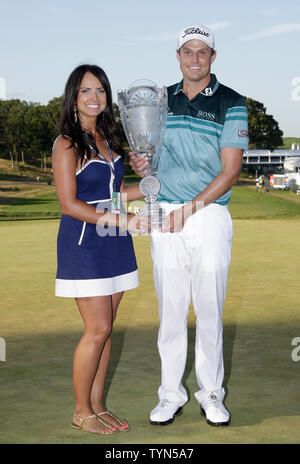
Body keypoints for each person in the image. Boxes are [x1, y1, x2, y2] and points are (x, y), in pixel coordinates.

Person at [129, 24, 249, 427]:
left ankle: (211, 393)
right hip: (164, 210)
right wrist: (143, 165)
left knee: (210, 310)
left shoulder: (231, 102)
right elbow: (152, 159)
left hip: (209, 214)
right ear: (178, 56)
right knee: (171, 311)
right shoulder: (160, 100)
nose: (194, 59)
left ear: (213, 57)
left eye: (202, 52)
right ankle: (169, 394)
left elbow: (230, 172)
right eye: (187, 51)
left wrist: (192, 208)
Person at [52, 64, 149, 435]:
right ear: (73, 98)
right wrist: (125, 221)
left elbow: (114, 196)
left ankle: (97, 406)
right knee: (98, 329)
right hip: (85, 245)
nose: (95, 98)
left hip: (115, 245)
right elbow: (70, 204)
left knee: (107, 331)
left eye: (101, 91)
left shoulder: (109, 138)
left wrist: (151, 183)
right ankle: (81, 411)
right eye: (86, 91)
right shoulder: (67, 143)